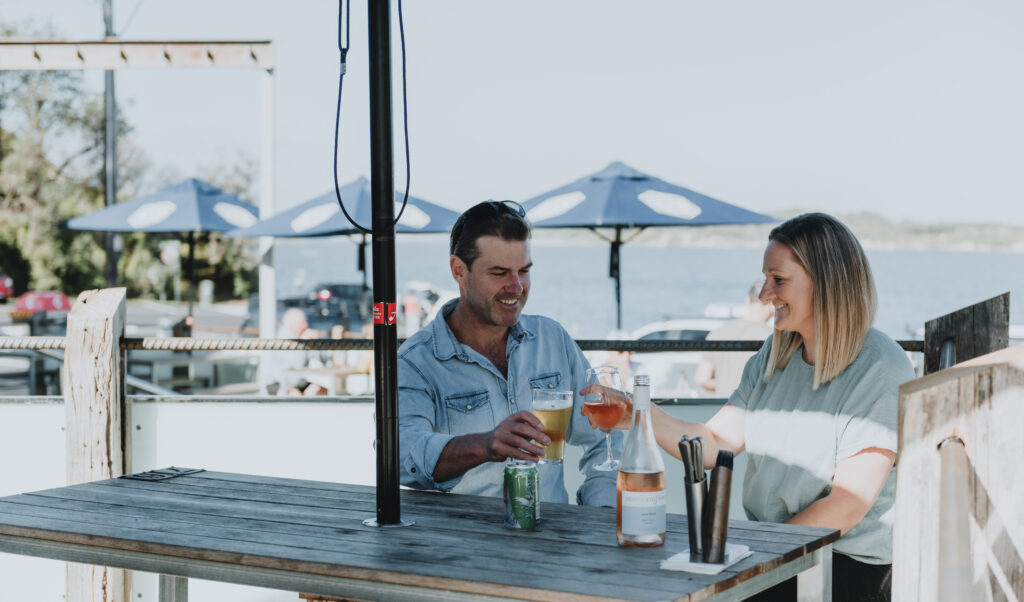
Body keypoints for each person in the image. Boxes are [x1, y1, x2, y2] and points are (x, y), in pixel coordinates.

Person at [584, 213, 913, 601]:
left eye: (778, 280)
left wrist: (759, 563)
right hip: (779, 552)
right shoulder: (776, 353)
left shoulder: (880, 366)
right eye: (765, 280)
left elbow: (846, 506)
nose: (764, 296)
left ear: (825, 283)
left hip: (846, 567)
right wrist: (634, 413)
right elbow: (714, 442)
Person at [398, 200, 621, 506]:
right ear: (458, 271)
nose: (516, 287)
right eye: (500, 273)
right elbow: (399, 456)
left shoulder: (552, 338)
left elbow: (607, 438)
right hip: (459, 545)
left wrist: (599, 510)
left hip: (554, 541)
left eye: (524, 271)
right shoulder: (416, 361)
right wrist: (484, 445)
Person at [693, 281, 774, 396]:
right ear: (772, 305)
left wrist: (726, 386)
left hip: (723, 407)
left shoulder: (718, 333)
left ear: (748, 300)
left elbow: (701, 379)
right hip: (754, 408)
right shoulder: (772, 338)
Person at [261, 308, 327, 396]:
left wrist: (316, 343)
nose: (306, 326)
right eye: (302, 323)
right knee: (295, 395)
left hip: (297, 382)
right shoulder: (283, 338)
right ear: (293, 324)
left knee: (321, 391)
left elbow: (323, 361)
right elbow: (296, 366)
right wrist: (303, 344)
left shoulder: (302, 336)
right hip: (276, 383)